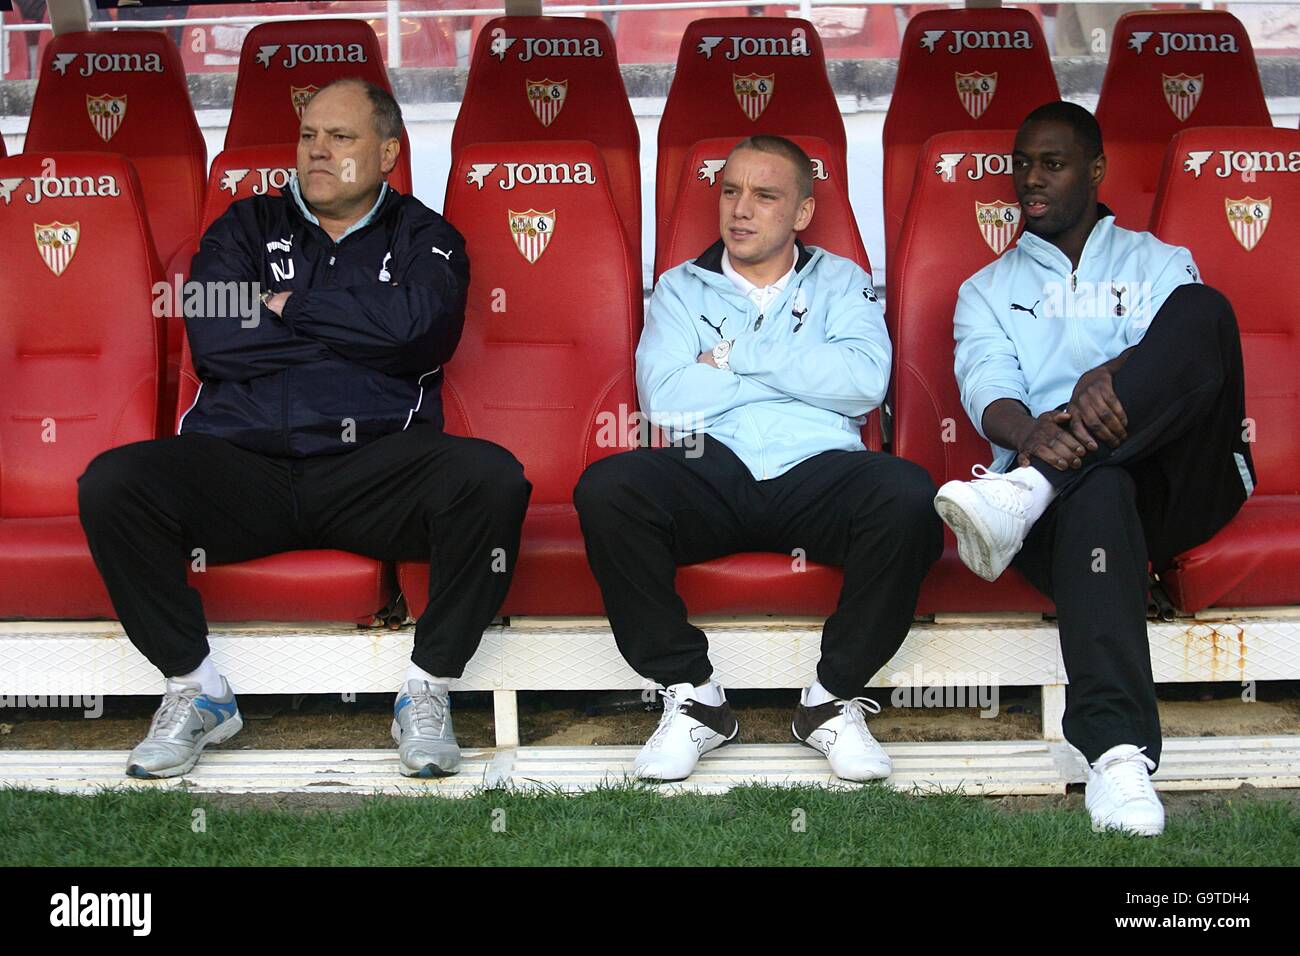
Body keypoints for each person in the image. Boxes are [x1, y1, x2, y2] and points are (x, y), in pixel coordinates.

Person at [77, 79, 531, 780]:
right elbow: (218, 342)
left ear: (386, 152)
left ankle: (426, 687)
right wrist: (359, 327)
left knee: (493, 479)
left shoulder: (426, 237)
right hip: (241, 465)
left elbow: (420, 333)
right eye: (308, 135)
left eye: (340, 138)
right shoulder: (242, 225)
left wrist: (287, 306)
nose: (317, 152)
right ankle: (197, 688)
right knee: (112, 483)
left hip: (375, 468)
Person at [574, 135, 943, 783]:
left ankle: (831, 699)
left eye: (764, 195)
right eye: (730, 191)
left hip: (820, 468)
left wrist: (734, 355)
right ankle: (692, 695)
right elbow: (665, 400)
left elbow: (862, 385)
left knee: (909, 493)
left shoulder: (842, 281)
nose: (740, 209)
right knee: (610, 487)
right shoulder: (681, 289)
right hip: (710, 467)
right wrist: (803, 368)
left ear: (801, 212)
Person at [935, 102, 1255, 835]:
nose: (1030, 179)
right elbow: (989, 389)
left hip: (1175, 489)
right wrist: (1030, 436)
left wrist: (1091, 389)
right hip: (1075, 524)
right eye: (1022, 165)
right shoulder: (985, 289)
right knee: (1100, 488)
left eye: (1052, 163)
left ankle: (1028, 486)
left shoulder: (1156, 262)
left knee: (1203, 311)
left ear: (1096, 170)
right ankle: (1117, 758)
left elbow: (1183, 366)